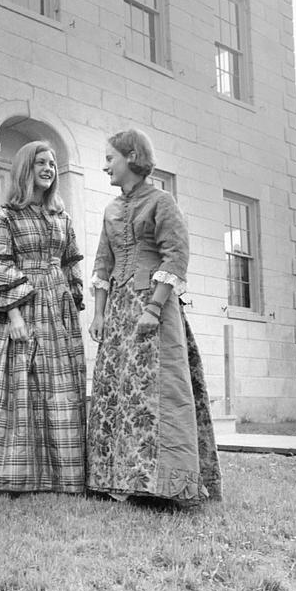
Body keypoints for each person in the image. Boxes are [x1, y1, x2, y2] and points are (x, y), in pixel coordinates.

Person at [86, 129, 222, 505]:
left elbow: (175, 255)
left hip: (153, 311)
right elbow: (102, 262)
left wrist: (153, 307)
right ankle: (121, 482)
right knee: (121, 393)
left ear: (131, 157)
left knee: (156, 394)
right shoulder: (111, 210)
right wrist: (99, 313)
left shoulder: (162, 201)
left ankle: (164, 486)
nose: (105, 165)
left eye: (110, 158)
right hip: (118, 312)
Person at [0, 141, 86, 494]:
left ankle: (63, 477)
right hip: (22, 305)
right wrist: (14, 315)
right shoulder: (6, 216)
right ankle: (14, 475)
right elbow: (1, 264)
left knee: (57, 390)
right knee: (21, 385)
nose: (49, 169)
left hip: (57, 308)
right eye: (40, 163)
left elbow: (70, 262)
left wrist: (71, 301)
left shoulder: (62, 218)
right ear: (25, 169)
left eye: (52, 163)